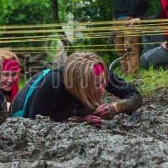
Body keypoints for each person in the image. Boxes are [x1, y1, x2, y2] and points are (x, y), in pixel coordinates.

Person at [10, 52, 142, 127]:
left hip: (71, 107)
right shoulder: (51, 85)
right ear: (80, 84)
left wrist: (117, 107)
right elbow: (35, 125)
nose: (103, 89)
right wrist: (80, 120)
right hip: (23, 111)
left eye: (104, 83)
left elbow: (135, 96)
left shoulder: (99, 71)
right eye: (96, 85)